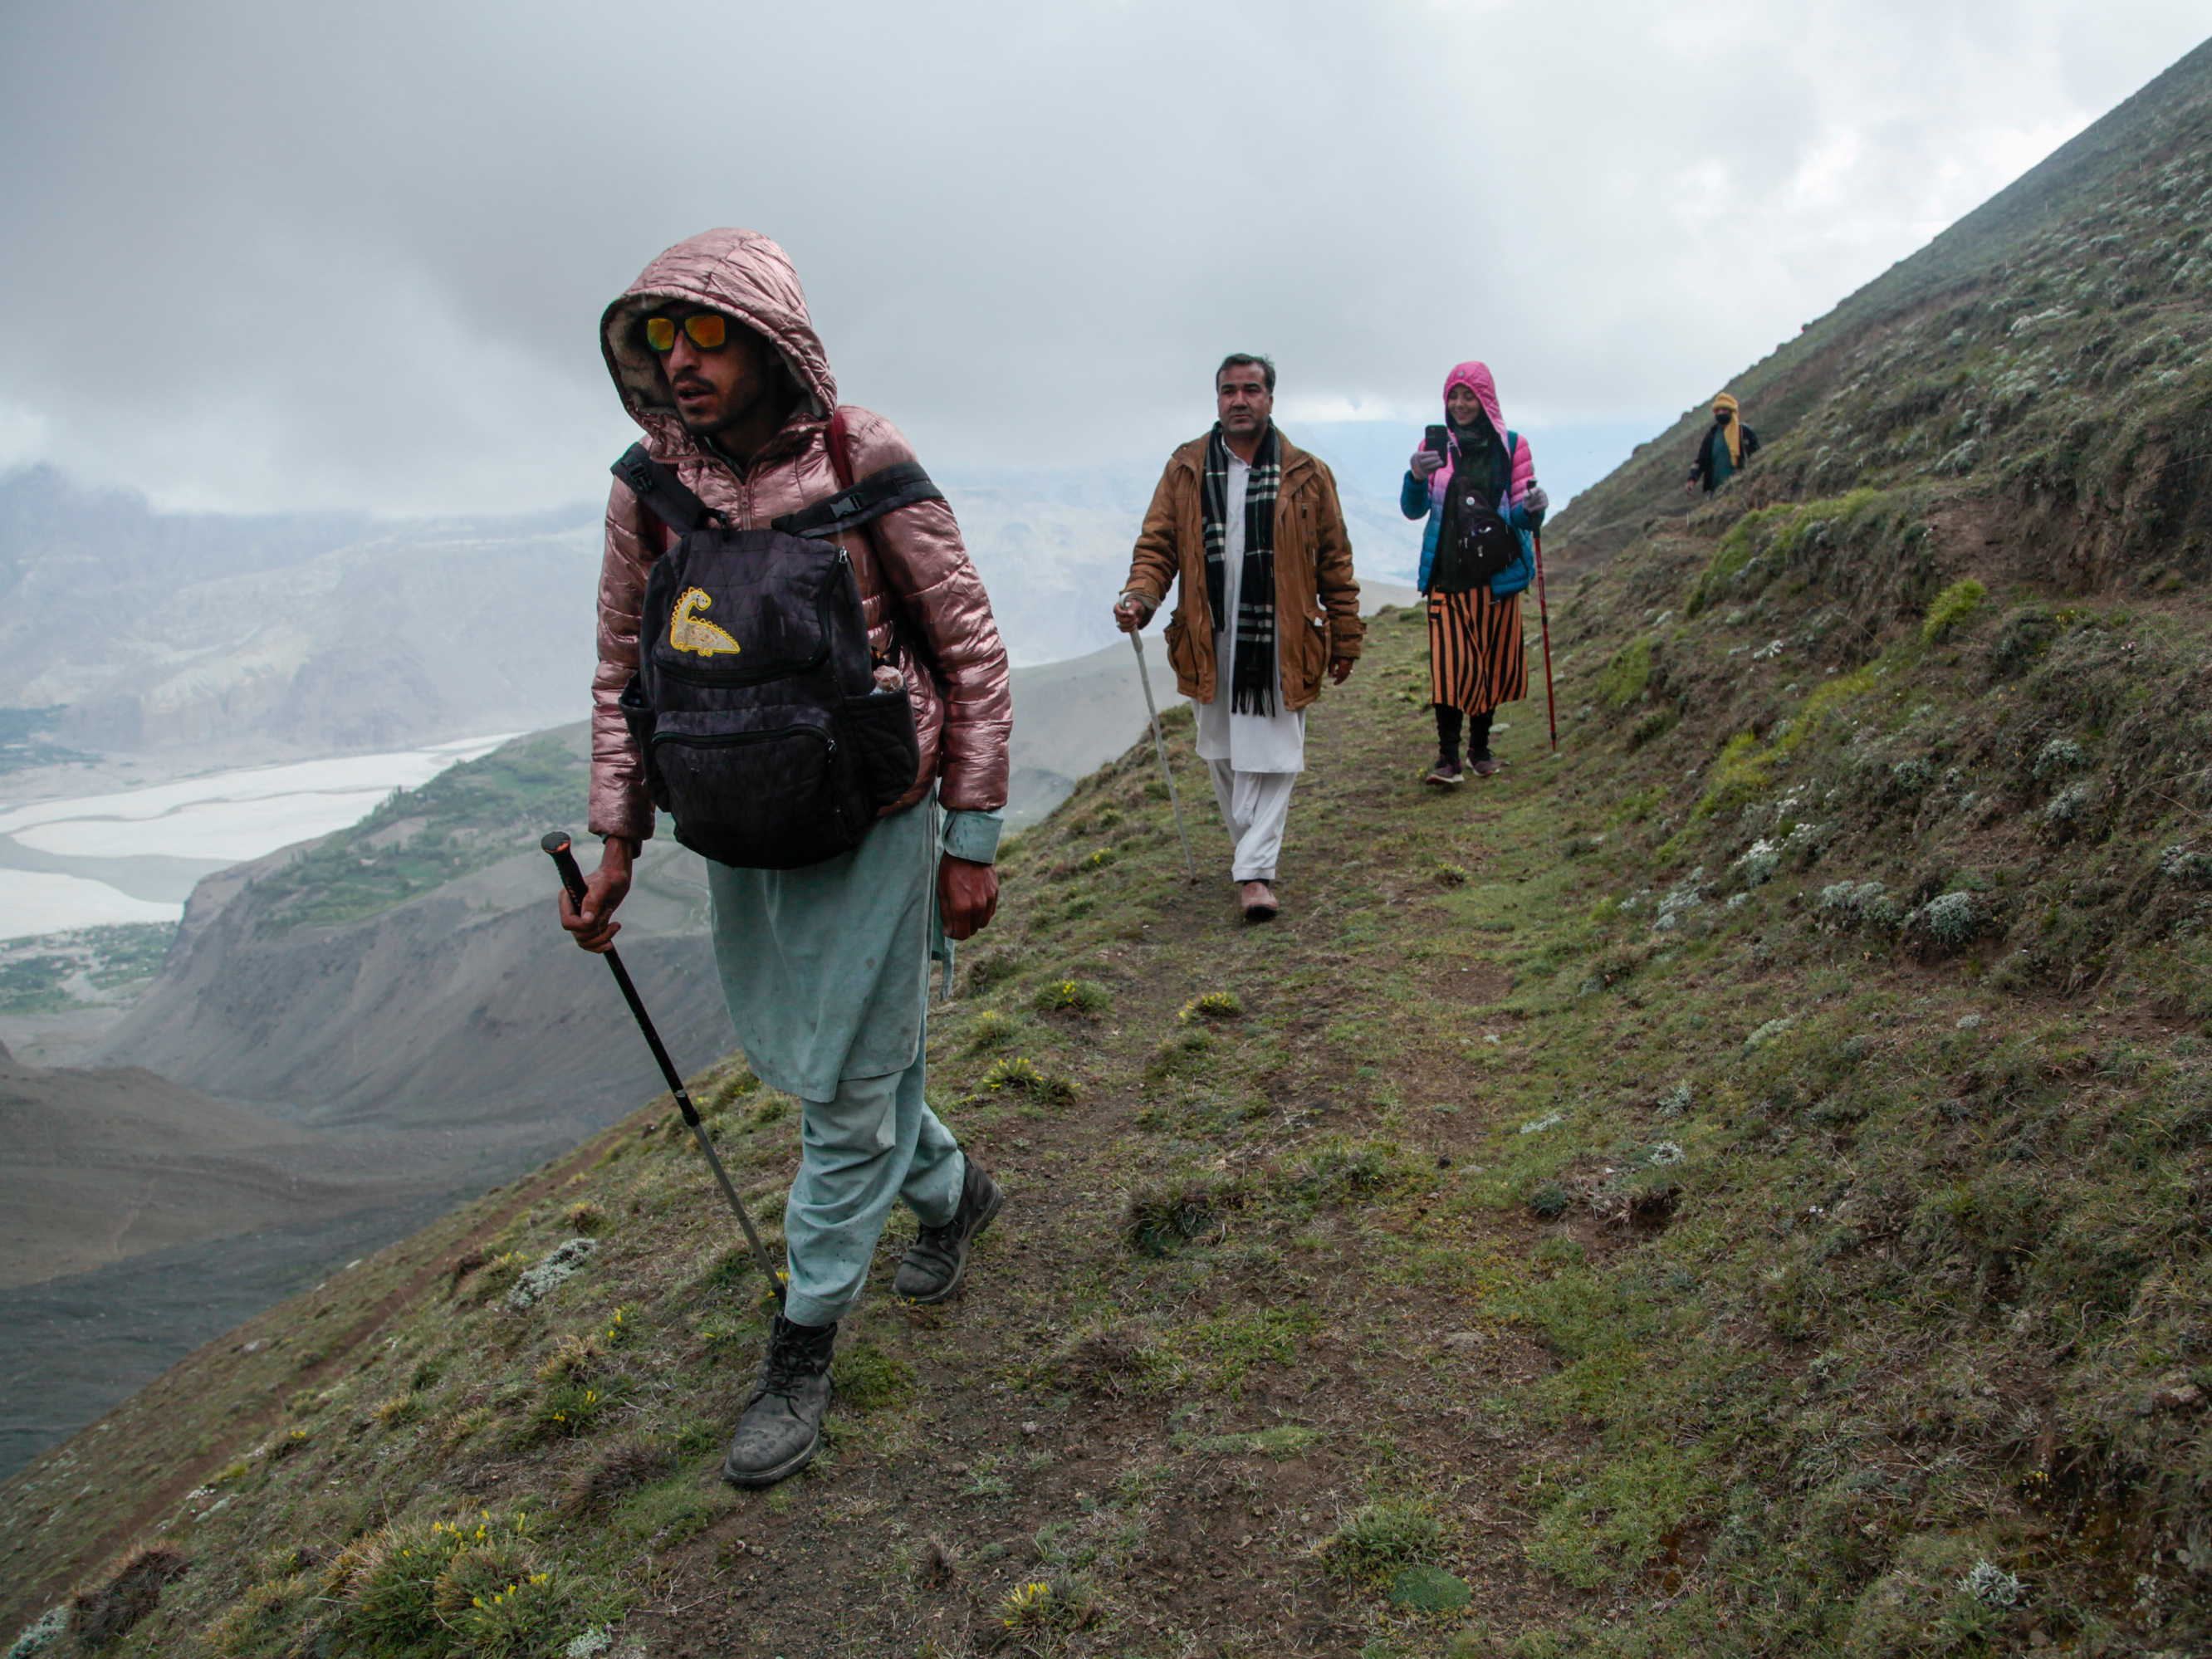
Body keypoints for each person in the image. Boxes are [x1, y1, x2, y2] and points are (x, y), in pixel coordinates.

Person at [560, 228, 1013, 1490]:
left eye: (706, 333)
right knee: (835, 1061)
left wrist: (971, 840)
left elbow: (970, 653)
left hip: (875, 816)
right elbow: (621, 675)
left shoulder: (863, 460)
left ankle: (802, 1349)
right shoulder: (648, 491)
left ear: (770, 342)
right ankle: (956, 1194)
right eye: (661, 337)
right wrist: (617, 842)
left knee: (847, 1090)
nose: (681, 360)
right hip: (737, 826)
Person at [1113, 355, 1363, 921]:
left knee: (1277, 755)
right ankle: (1252, 854)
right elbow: (1157, 547)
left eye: (1251, 389)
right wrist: (1140, 597)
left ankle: (1254, 875)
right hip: (1209, 636)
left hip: (1285, 638)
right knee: (1223, 752)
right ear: (1218, 399)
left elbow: (1334, 561)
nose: (1240, 400)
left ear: (1270, 398)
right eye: (1229, 391)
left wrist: (1346, 634)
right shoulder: (1186, 467)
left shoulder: (1308, 473)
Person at [1402, 362, 1548, 783]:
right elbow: (1413, 509)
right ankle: (1447, 758)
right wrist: (1416, 476)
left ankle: (1479, 748)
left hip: (1495, 574)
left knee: (1490, 662)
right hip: (1446, 573)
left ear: (1486, 400)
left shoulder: (1512, 446)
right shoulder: (1435, 447)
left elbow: (1520, 514)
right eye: (1454, 396)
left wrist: (1534, 508)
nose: (1460, 404)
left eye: (1469, 396)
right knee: (1449, 667)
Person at [1686, 393, 1759, 494]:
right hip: (1717, 490)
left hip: (1743, 486)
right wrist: (1692, 479)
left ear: (1731, 412)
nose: (1720, 413)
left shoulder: (1744, 432)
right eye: (1718, 411)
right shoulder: (1711, 436)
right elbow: (1701, 461)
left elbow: (1758, 455)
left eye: (1724, 410)